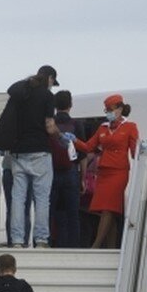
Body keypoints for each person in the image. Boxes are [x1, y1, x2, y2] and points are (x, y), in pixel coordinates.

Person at [70, 94, 139, 249]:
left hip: (119, 172)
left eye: (110, 109)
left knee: (109, 208)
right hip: (103, 172)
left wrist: (143, 151)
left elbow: (134, 152)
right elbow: (88, 147)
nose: (108, 112)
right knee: (109, 211)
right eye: (106, 110)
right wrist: (74, 140)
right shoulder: (103, 128)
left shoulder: (130, 127)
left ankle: (96, 244)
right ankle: (111, 246)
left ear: (120, 109)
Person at [7, 65, 61, 248]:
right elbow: (50, 126)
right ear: (51, 79)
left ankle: (16, 241)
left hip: (18, 153)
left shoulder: (22, 94)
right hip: (40, 153)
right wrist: (61, 138)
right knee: (41, 198)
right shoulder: (47, 96)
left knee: (18, 198)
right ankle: (41, 240)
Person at [49, 90, 85, 247]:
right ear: (70, 105)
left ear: (55, 105)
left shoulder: (50, 124)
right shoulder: (76, 125)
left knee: (51, 213)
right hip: (71, 172)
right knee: (73, 214)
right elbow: (83, 154)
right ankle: (74, 247)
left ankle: (49, 243)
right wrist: (82, 178)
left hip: (51, 172)